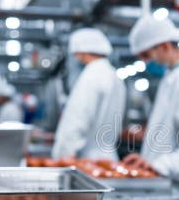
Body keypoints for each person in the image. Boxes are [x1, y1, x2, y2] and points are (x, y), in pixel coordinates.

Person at [123, 16, 179, 187]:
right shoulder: (172, 76)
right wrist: (146, 160)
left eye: (146, 55)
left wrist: (160, 165)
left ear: (165, 46)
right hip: (163, 183)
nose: (145, 62)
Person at [52, 27, 126, 160]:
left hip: (87, 159)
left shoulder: (91, 76)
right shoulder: (114, 76)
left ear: (82, 51)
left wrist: (64, 153)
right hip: (108, 157)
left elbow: (77, 119)